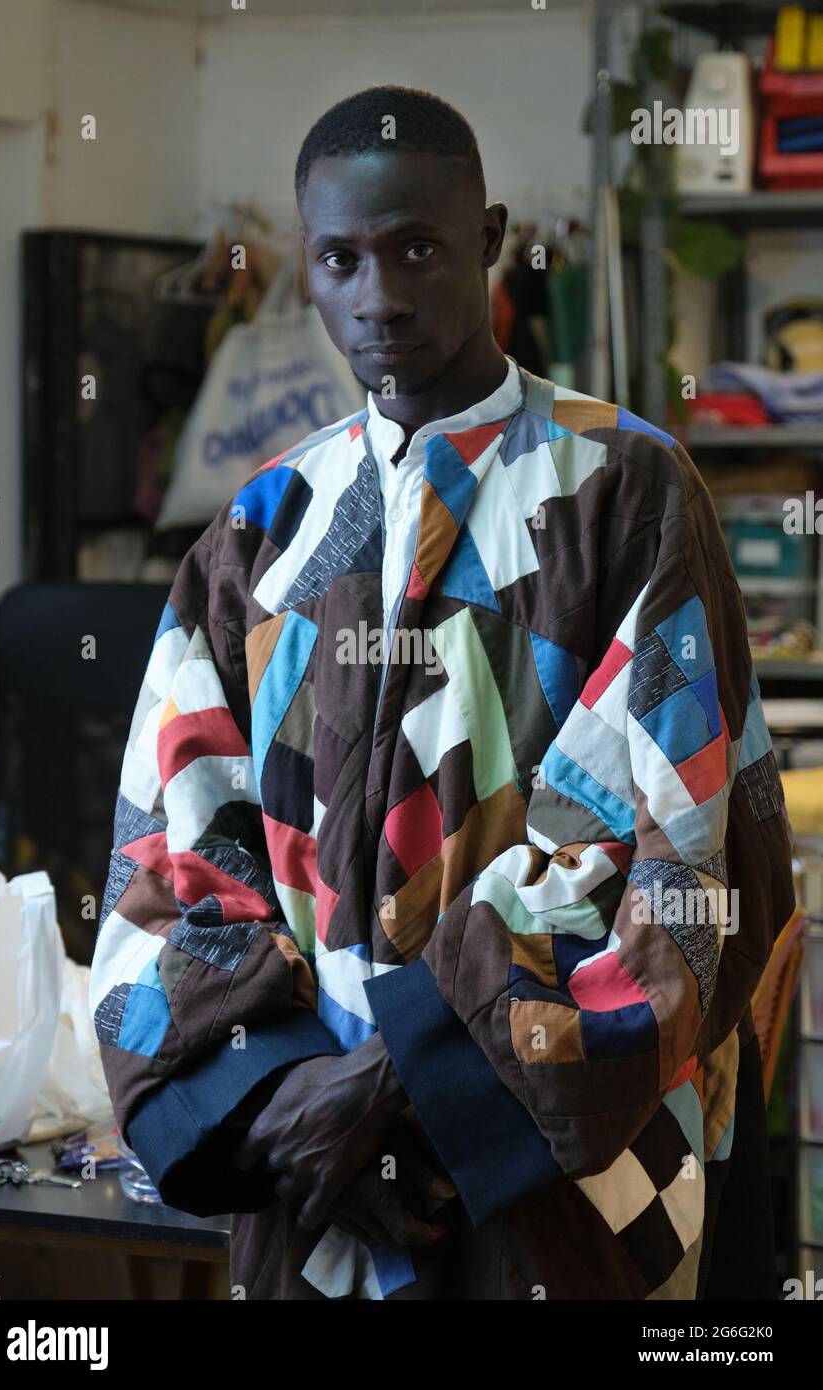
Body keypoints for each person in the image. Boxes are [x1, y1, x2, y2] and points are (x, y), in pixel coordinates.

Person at [90, 86, 796, 1301]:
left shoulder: (622, 490)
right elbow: (173, 855)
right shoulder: (264, 532)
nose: (379, 296)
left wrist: (407, 1080)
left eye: (417, 247)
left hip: (571, 1181)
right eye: (340, 259)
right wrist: (286, 1097)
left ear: (489, 237)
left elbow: (670, 850)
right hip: (312, 1184)